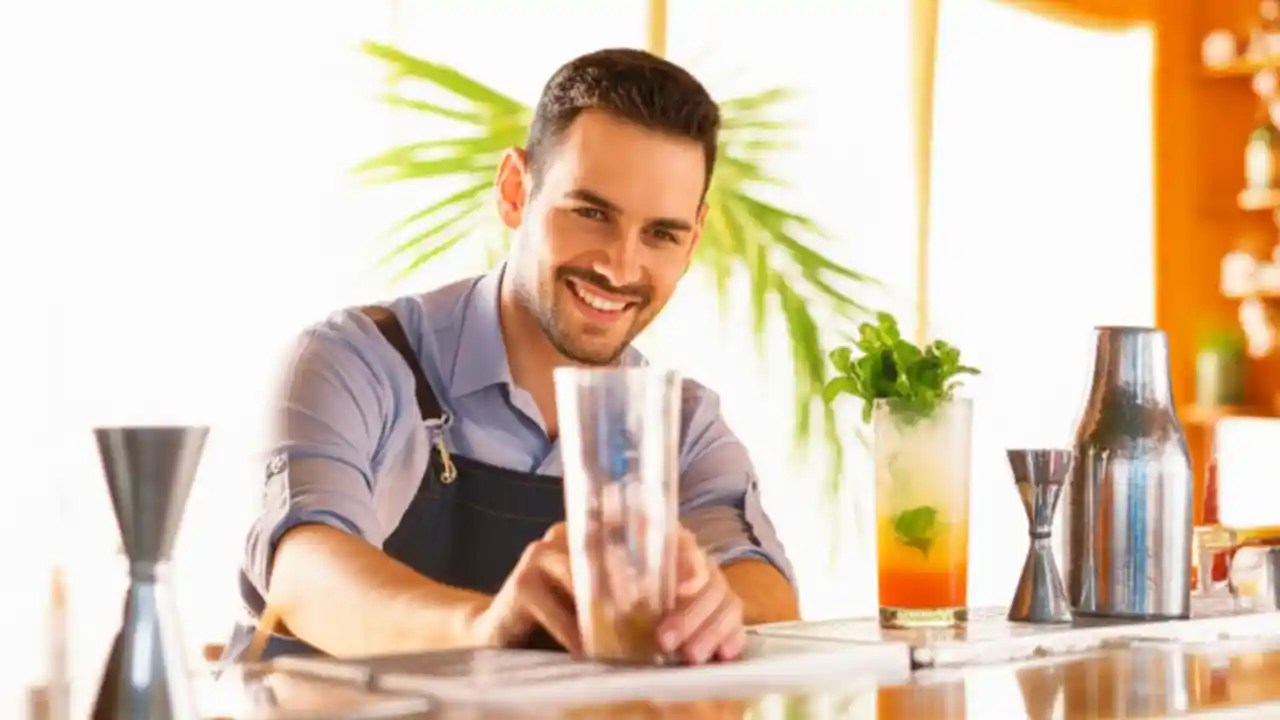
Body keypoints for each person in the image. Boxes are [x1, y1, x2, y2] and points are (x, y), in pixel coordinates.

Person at [223, 47, 798, 666]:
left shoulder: (680, 424)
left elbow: (767, 592)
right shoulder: (357, 362)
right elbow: (304, 575)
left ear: (692, 242)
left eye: (661, 233)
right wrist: (488, 626)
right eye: (590, 213)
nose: (620, 266)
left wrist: (714, 606)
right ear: (515, 191)